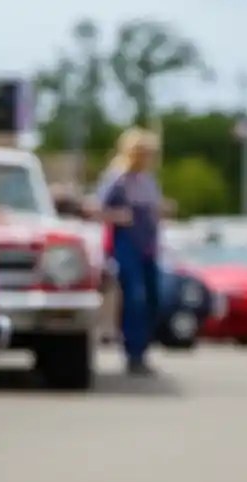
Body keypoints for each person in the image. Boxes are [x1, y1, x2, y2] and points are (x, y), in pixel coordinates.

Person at [96, 128, 163, 375]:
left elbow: (154, 211)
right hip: (126, 244)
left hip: (148, 246)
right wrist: (119, 216)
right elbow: (97, 209)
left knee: (153, 298)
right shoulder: (118, 179)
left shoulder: (148, 181)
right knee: (135, 297)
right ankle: (133, 352)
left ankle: (143, 347)